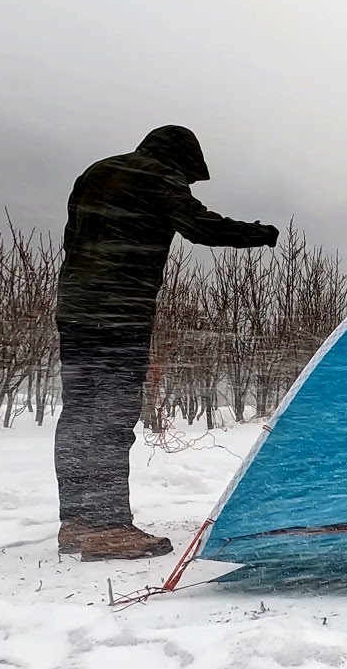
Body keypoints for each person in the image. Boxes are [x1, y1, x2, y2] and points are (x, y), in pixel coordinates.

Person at [54, 125, 278, 560]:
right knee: (110, 415)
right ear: (181, 160)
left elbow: (73, 239)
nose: (188, 185)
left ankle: (78, 522)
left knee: (80, 414)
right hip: (119, 314)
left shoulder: (97, 172)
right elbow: (199, 226)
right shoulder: (159, 177)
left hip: (77, 310)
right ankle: (107, 527)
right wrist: (258, 233)